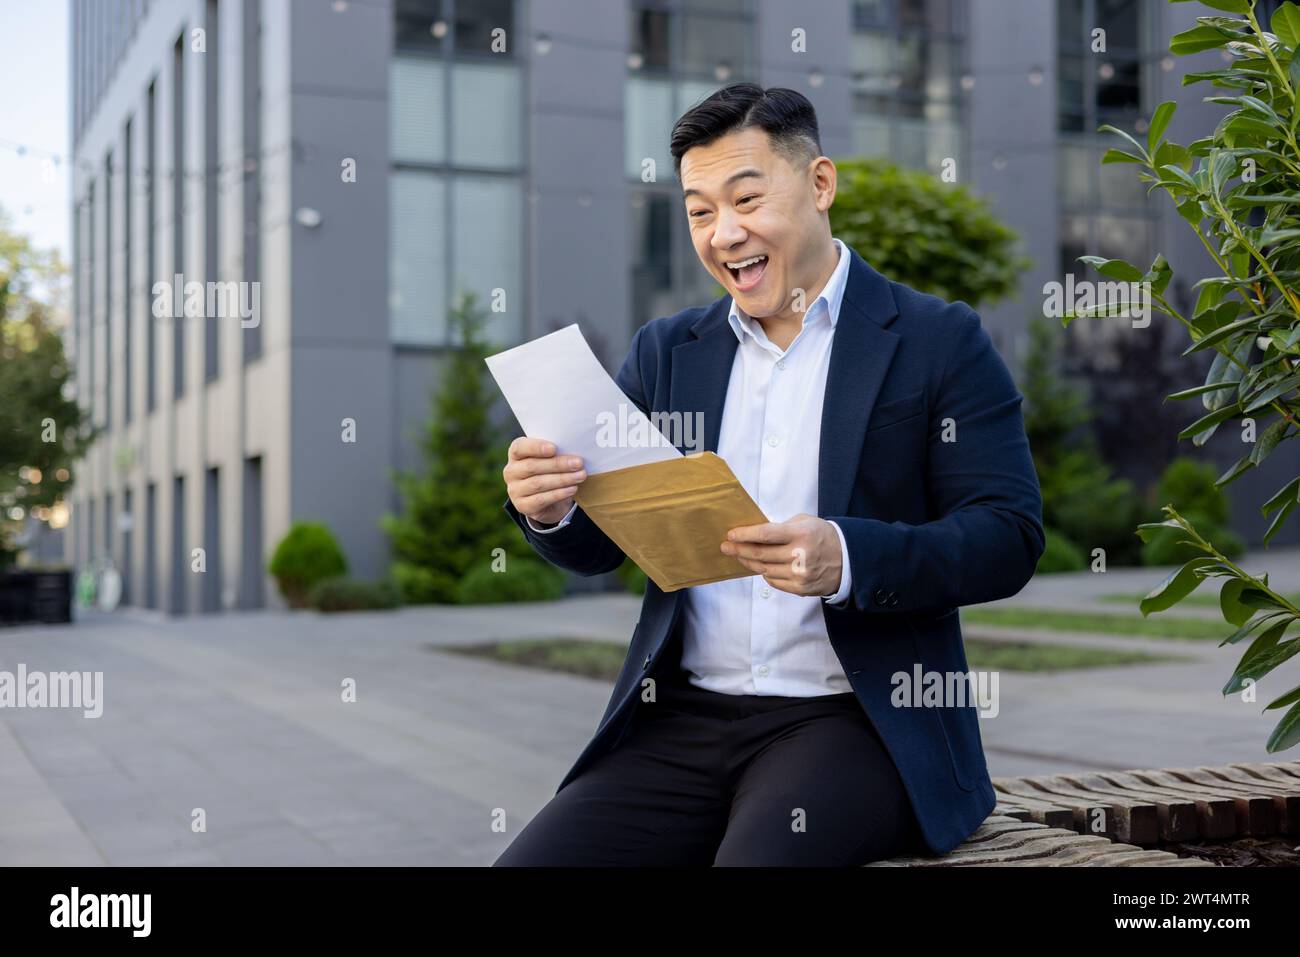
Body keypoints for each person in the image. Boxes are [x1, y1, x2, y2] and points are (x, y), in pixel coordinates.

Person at [494, 83, 1044, 866]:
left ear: (820, 184)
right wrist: (548, 509)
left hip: (851, 721)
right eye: (699, 211)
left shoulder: (937, 340)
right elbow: (600, 547)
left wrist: (847, 557)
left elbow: (1008, 535)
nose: (725, 234)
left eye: (746, 198)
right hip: (677, 719)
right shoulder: (667, 351)